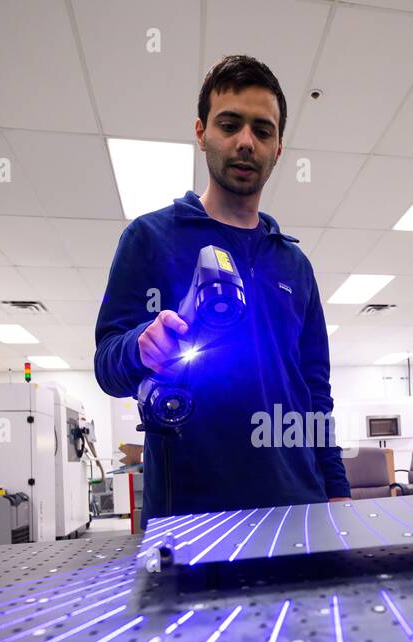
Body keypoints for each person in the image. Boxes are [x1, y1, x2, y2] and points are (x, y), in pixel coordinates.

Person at [94, 54, 351, 523]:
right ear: (201, 133)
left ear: (278, 148)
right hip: (192, 512)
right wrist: (139, 347)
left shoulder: (295, 264)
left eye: (262, 130)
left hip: (298, 503)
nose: (246, 142)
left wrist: (336, 487)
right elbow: (107, 365)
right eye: (229, 124)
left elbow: (316, 390)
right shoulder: (149, 239)